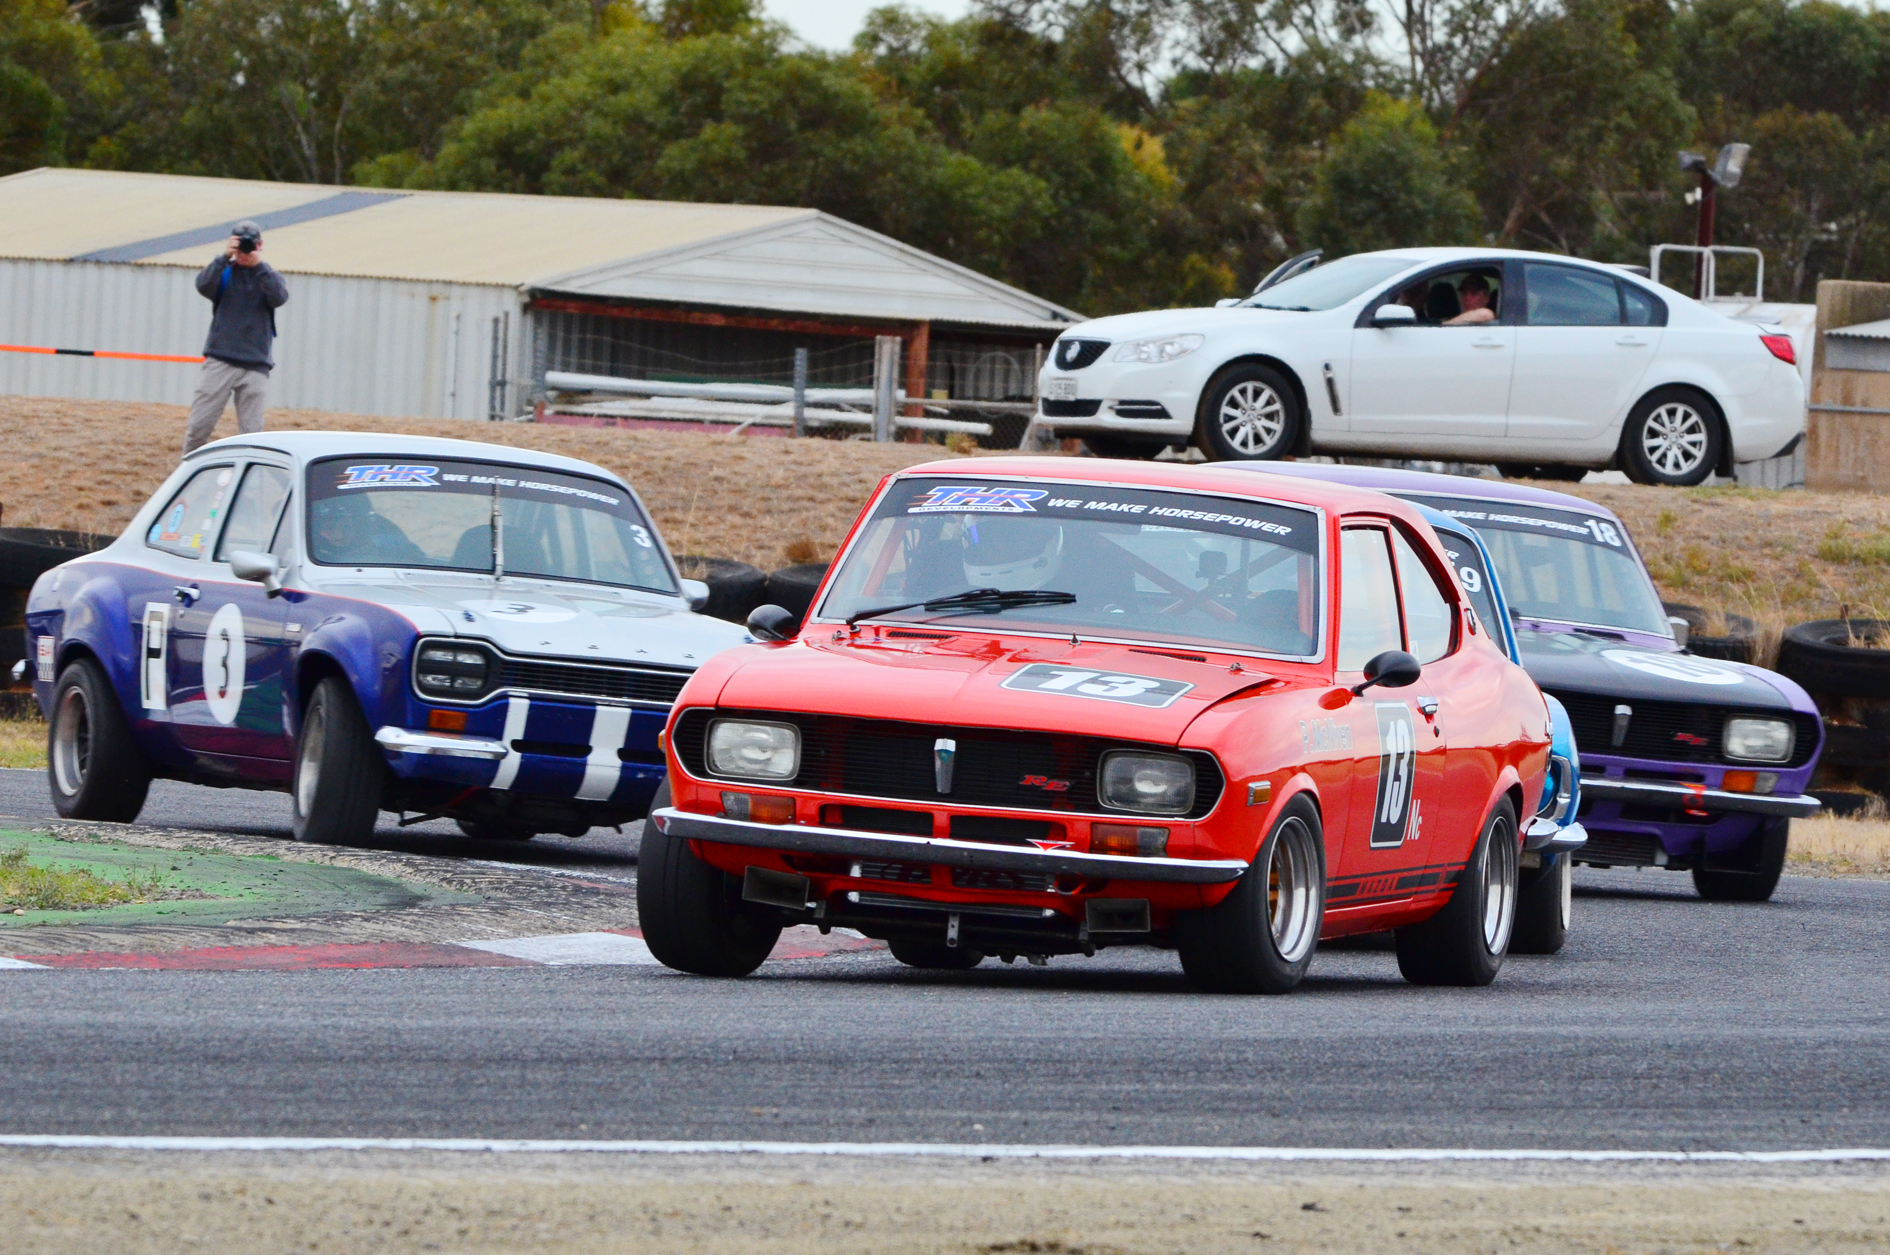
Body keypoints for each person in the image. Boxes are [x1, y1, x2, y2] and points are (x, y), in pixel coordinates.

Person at [183, 219, 289, 456]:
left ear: (260, 245)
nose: (245, 252)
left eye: (250, 245)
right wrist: (223, 257)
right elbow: (202, 285)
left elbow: (279, 297)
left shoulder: (267, 275)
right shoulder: (224, 273)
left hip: (255, 365)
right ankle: (187, 477)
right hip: (220, 360)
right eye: (241, 245)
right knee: (199, 427)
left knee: (253, 435)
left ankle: (252, 485)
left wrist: (259, 265)